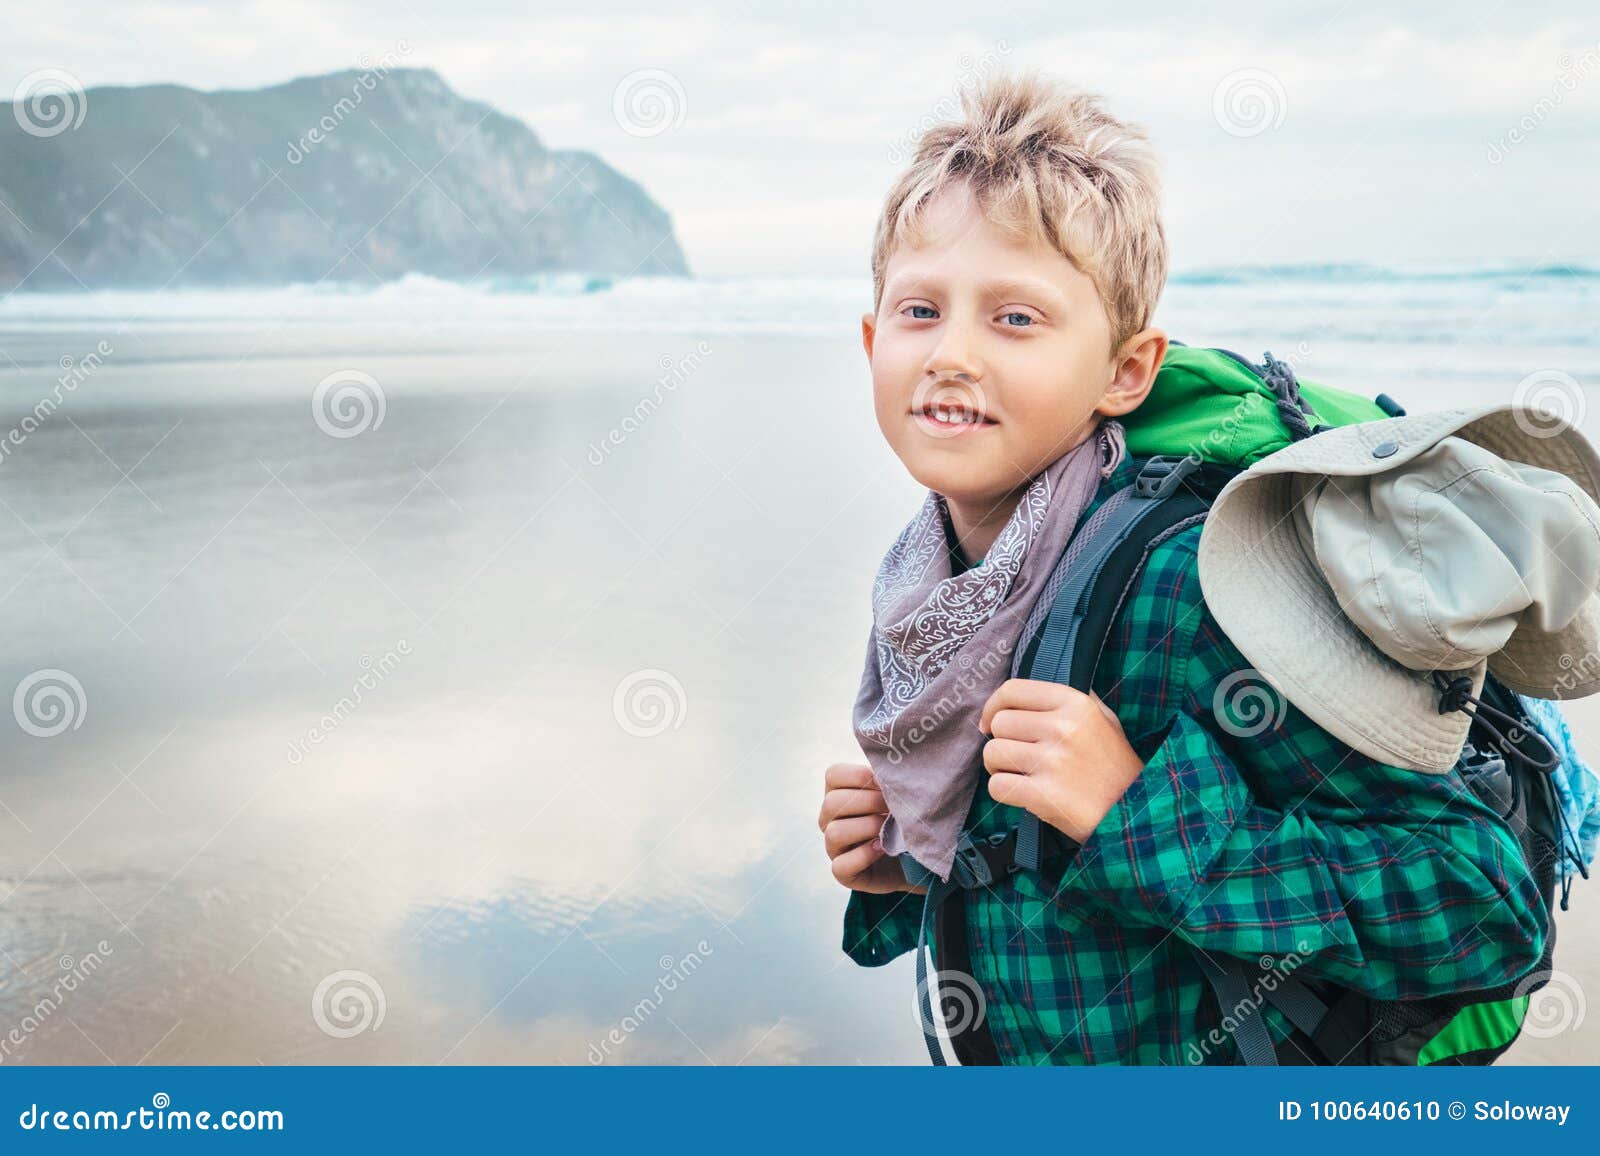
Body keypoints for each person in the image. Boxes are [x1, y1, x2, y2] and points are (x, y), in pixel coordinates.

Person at [818, 69, 1546, 1065]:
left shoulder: (1183, 587)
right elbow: (1039, 880)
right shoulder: (940, 583)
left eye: (1015, 318)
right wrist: (909, 864)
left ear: (1126, 369)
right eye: (918, 311)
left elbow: (1481, 904)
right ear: (870, 343)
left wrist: (1140, 811)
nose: (952, 353)